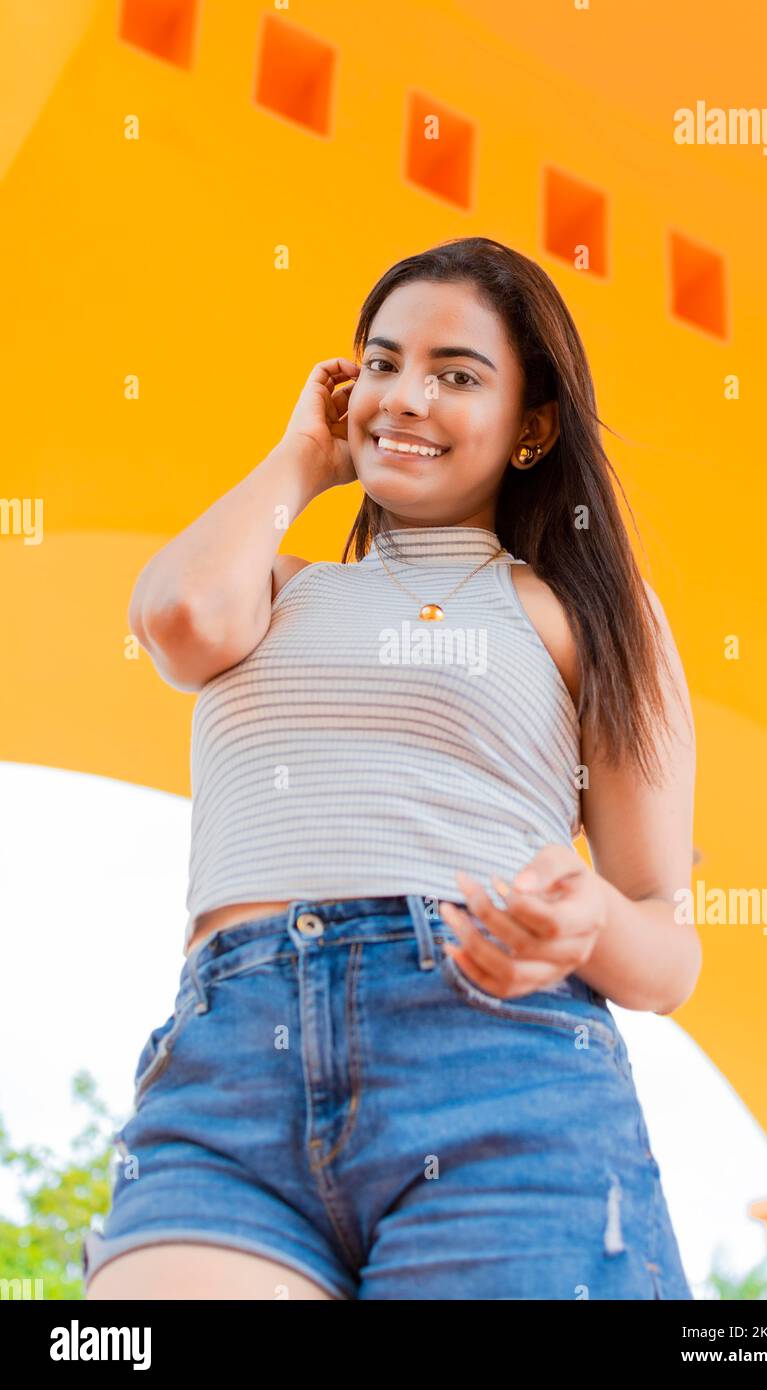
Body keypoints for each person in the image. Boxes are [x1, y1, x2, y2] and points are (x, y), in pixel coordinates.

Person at [84, 235, 699, 1301]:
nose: (403, 396)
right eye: (380, 363)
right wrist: (299, 460)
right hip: (234, 1063)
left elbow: (665, 938)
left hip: (493, 1057)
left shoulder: (580, 613)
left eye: (454, 375)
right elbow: (179, 622)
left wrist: (586, 920)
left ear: (531, 428)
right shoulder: (269, 584)